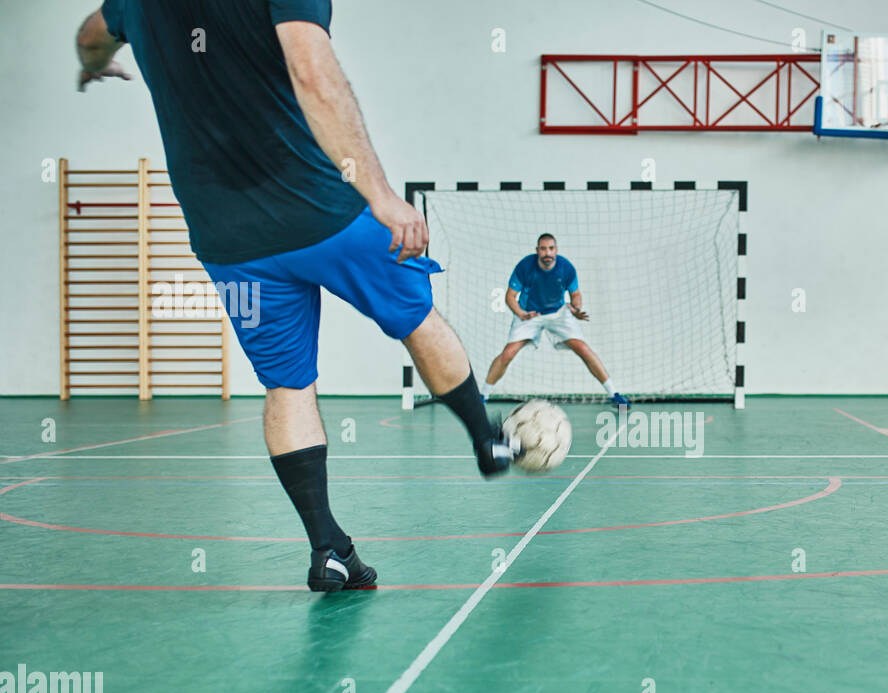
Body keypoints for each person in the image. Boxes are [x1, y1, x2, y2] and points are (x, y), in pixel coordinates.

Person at [76, 0, 518, 592]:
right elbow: (313, 73)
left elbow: (89, 36)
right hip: (322, 210)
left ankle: (328, 551)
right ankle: (486, 440)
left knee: (287, 384)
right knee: (416, 316)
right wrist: (381, 194)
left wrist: (93, 64)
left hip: (228, 238)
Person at [483, 234, 630, 407]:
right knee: (508, 353)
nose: (547, 253)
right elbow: (510, 297)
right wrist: (521, 313)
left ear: (556, 250)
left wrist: (575, 309)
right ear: (537, 251)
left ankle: (614, 395)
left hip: (558, 313)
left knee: (583, 348)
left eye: (551, 248)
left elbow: (575, 294)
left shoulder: (566, 268)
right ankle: (482, 396)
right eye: (543, 249)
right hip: (529, 314)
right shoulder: (525, 267)